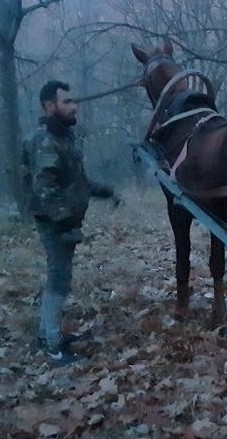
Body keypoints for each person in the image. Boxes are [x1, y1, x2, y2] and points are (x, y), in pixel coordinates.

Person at [24, 80, 118, 366]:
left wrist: (105, 192)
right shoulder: (45, 140)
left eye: (73, 101)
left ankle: (46, 334)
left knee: (58, 278)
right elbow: (45, 188)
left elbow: (77, 180)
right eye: (66, 102)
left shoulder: (63, 136)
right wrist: (66, 223)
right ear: (48, 106)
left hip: (63, 221)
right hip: (54, 222)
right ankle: (53, 348)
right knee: (59, 281)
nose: (74, 106)